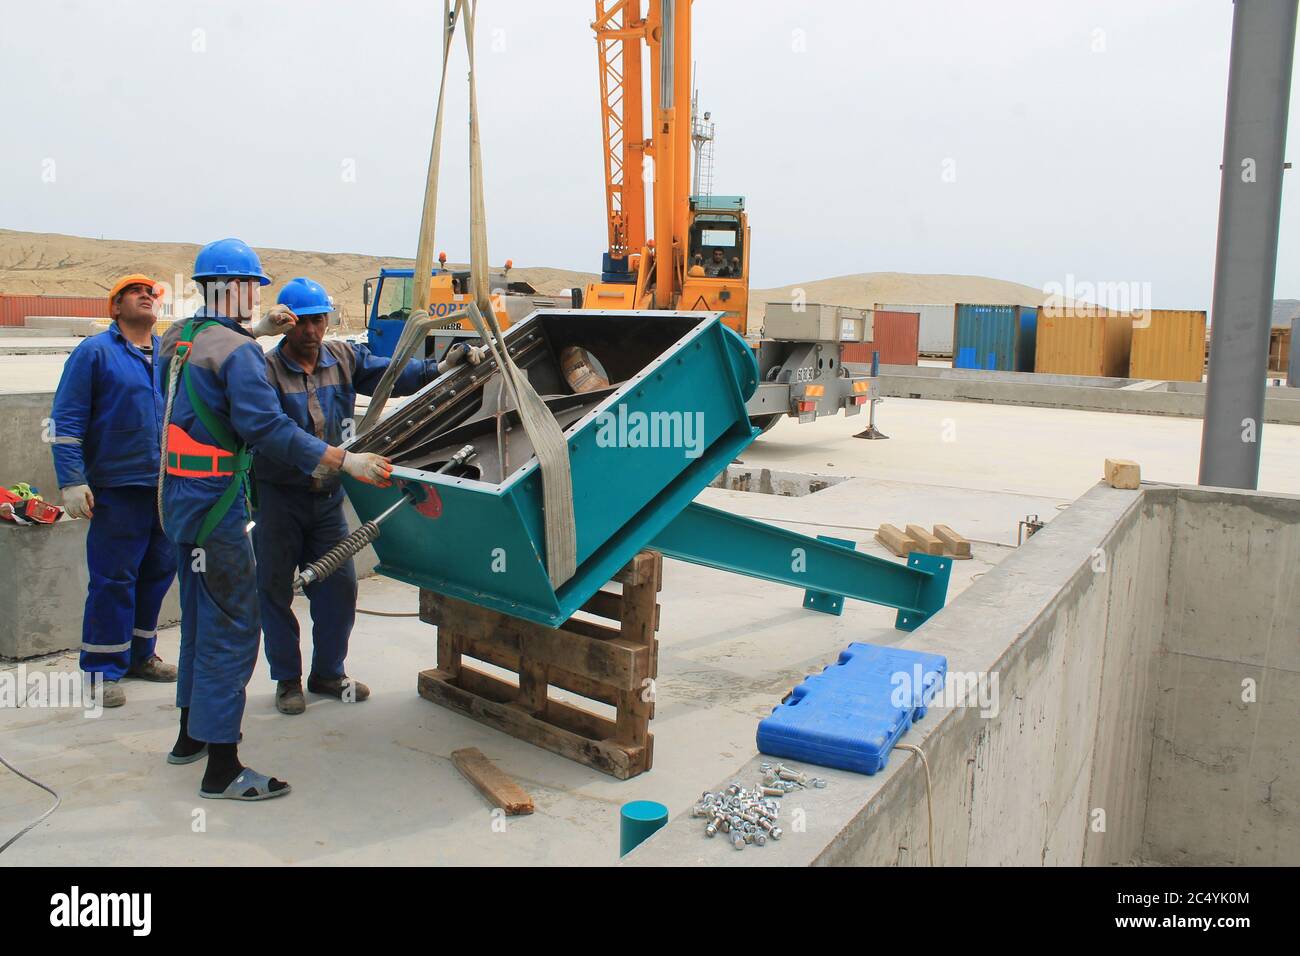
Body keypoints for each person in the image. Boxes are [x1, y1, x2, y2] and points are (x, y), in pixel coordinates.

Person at [156, 238, 393, 801]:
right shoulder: (239, 356)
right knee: (233, 628)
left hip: (178, 499)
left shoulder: (178, 339)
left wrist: (254, 330)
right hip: (218, 502)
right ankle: (222, 767)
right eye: (252, 289)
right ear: (239, 288)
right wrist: (344, 459)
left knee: (197, 612)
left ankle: (189, 737)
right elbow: (269, 430)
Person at [254, 277, 448, 716]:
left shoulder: (342, 357)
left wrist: (441, 366)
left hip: (325, 500)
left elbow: (392, 372)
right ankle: (287, 679)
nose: (311, 331)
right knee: (275, 590)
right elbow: (276, 435)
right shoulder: (264, 372)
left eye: (319, 321)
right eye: (302, 323)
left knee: (338, 589)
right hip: (278, 497)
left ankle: (327, 672)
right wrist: (344, 459)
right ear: (285, 323)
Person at [50, 274, 179, 709]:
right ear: (115, 307)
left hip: (164, 487)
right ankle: (101, 669)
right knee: (113, 579)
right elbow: (66, 421)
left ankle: (141, 655)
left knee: (158, 573)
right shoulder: (96, 352)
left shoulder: (167, 355)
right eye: (135, 292)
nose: (147, 296)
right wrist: (71, 479)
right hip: (117, 487)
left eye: (152, 293)